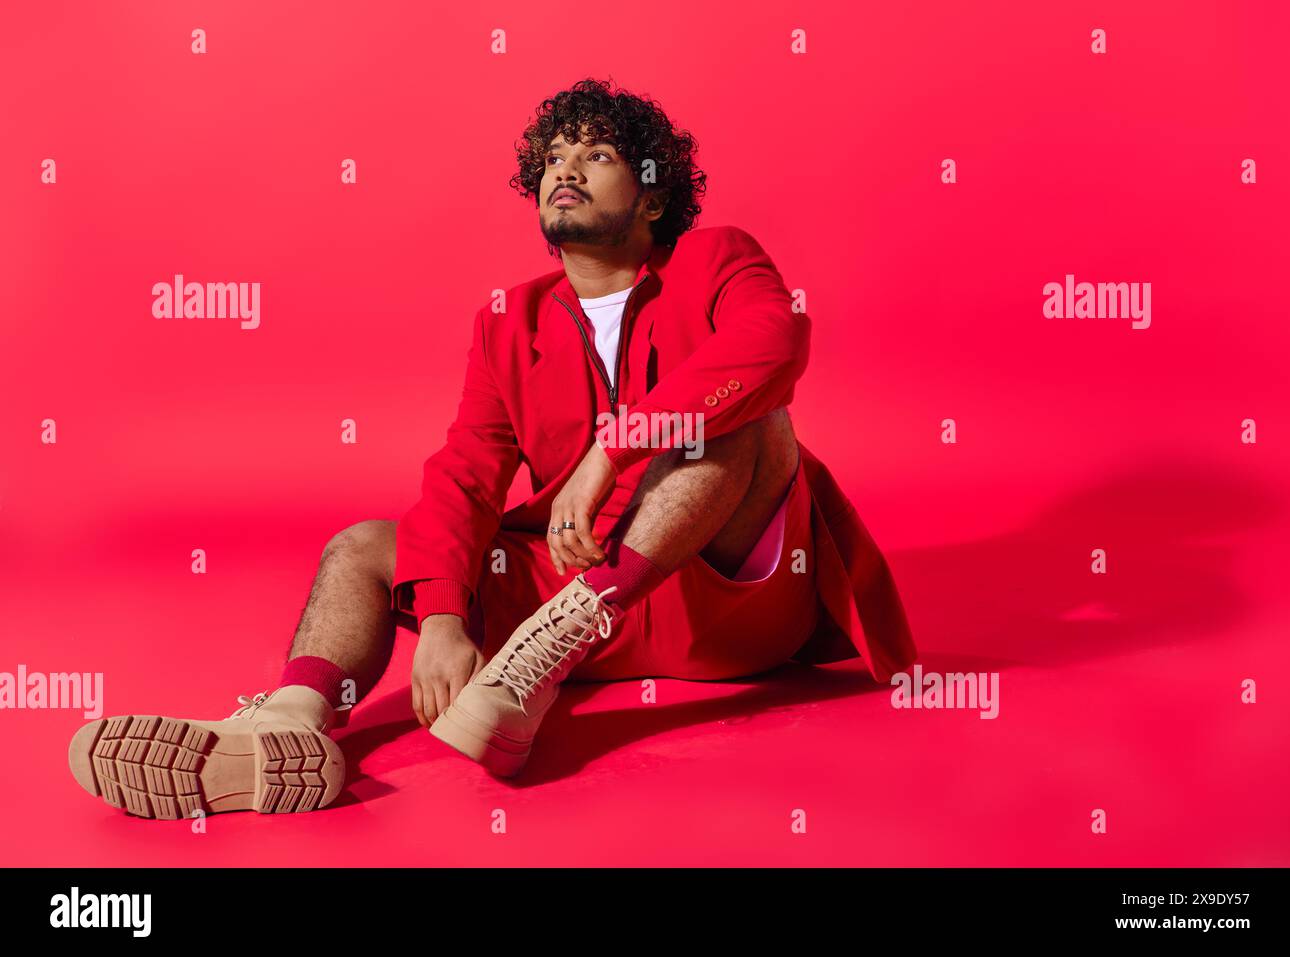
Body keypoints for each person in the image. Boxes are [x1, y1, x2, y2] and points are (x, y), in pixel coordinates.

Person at [67, 77, 916, 818]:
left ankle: (559, 638)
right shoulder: (508, 320)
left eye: (595, 155)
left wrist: (612, 450)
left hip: (718, 598)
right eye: (552, 159)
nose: (565, 170)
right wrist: (439, 615)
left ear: (654, 195)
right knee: (364, 546)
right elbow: (465, 474)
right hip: (558, 585)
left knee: (748, 415)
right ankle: (289, 724)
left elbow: (774, 345)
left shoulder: (717, 258)